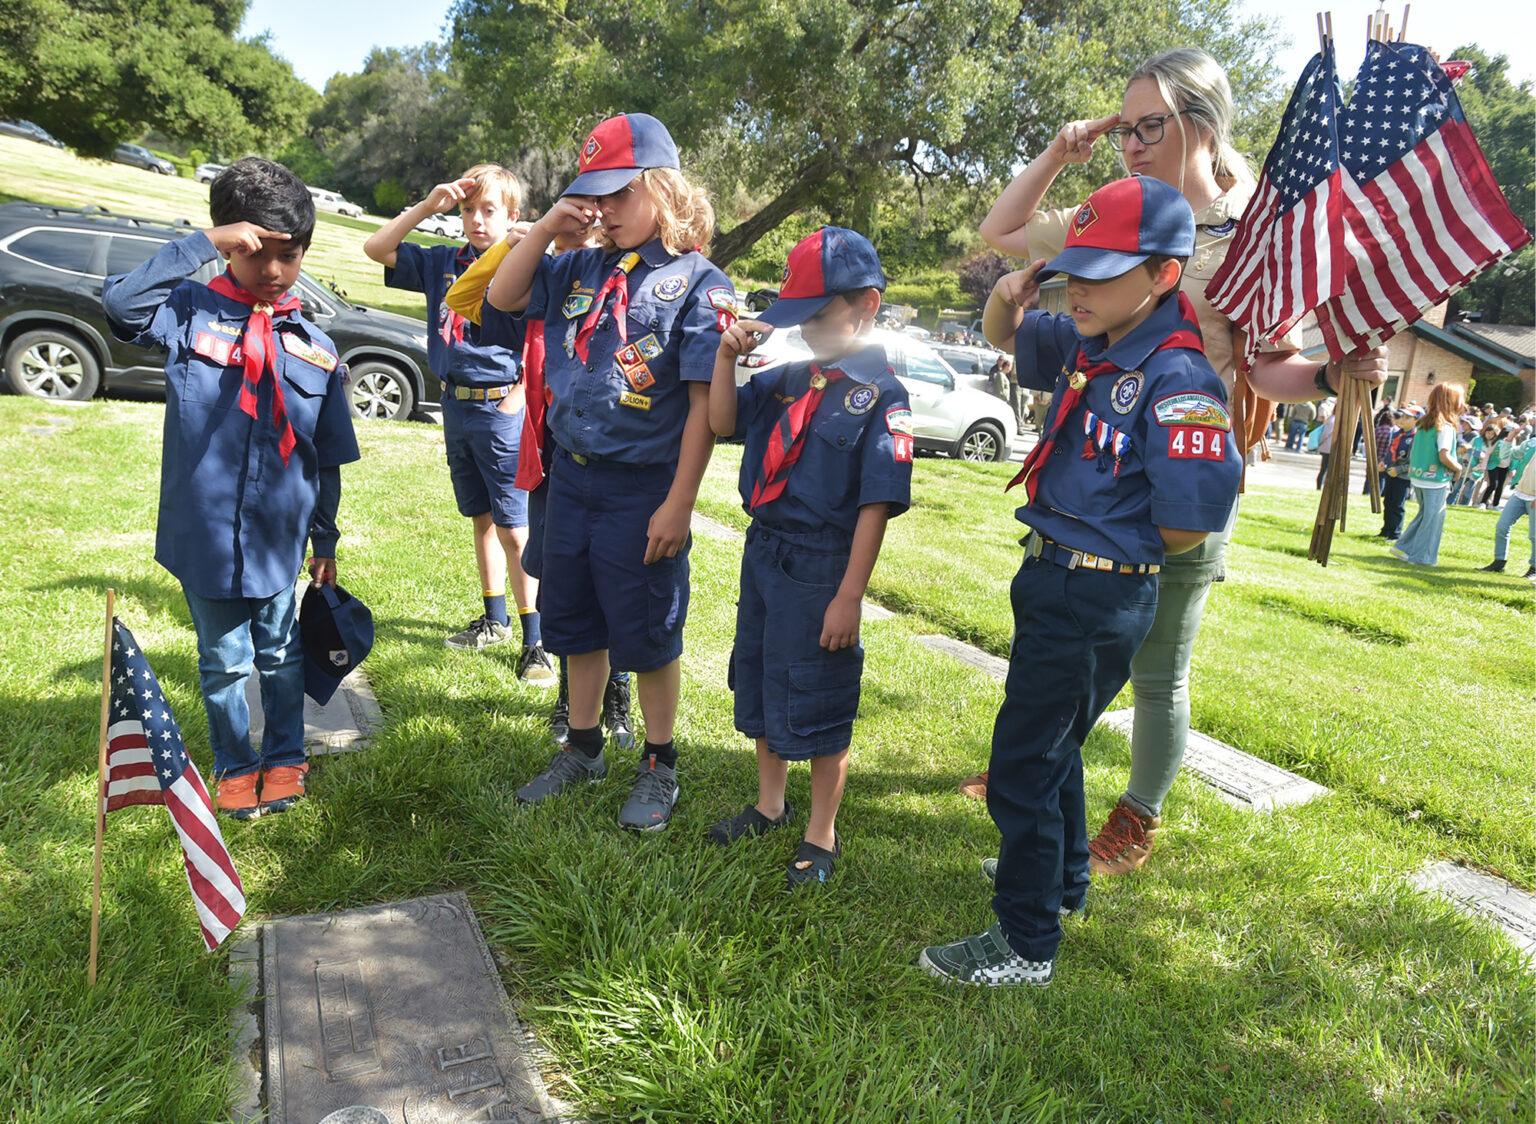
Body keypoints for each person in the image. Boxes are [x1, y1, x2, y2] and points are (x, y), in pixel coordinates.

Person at [965, 47, 1387, 873]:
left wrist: (1334, 375)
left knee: (1158, 667)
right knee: (1065, 637)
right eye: (1124, 126)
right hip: (1088, 470)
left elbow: (1269, 368)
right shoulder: (1117, 209)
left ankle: (1136, 816)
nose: (1130, 142)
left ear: (1200, 123)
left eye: (1147, 124)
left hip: (1179, 478)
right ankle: (1044, 769)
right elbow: (1002, 234)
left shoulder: (1254, 239)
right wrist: (1062, 150)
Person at [920, 176, 1242, 987]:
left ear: (1164, 276)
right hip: (1056, 574)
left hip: (1096, 589)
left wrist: (1105, 546)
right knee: (1054, 748)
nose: (1081, 286)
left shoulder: (1177, 378)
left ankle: (1024, 943)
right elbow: (1010, 334)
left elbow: (1187, 523)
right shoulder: (1095, 338)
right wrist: (1011, 289)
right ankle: (1061, 884)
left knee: (1024, 764)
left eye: (1102, 271)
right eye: (1076, 269)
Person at [483, 113, 731, 831]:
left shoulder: (696, 284)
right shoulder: (583, 265)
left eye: (619, 193)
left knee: (647, 630)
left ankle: (659, 762)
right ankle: (584, 746)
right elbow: (501, 297)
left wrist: (679, 506)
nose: (604, 208)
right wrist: (548, 227)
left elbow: (700, 414)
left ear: (661, 186)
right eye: (594, 193)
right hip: (574, 478)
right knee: (577, 620)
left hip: (643, 486)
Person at [101, 157, 360, 819]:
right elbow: (122, 307)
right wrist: (204, 244)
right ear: (231, 244)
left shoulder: (318, 349)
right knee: (222, 663)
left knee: (279, 655)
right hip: (206, 533)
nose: (273, 271)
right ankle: (235, 766)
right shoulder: (189, 311)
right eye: (256, 253)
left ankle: (285, 758)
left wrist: (324, 539)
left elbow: (325, 457)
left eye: (290, 255)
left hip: (278, 537)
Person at [705, 226, 911, 887]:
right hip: (765, 553)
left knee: (820, 695)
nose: (808, 330)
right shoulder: (788, 381)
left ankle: (821, 831)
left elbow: (876, 503)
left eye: (819, 315)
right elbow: (718, 420)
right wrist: (726, 358)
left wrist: (851, 594)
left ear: (866, 306)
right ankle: (769, 803)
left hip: (824, 565)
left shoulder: (883, 395)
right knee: (764, 677)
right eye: (800, 317)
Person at [443, 221, 636, 749]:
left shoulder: (613, 292)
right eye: (570, 234)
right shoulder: (542, 290)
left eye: (589, 235)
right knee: (561, 578)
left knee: (610, 583)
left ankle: (618, 695)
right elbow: (463, 297)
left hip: (604, 458)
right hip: (552, 460)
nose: (577, 242)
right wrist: (519, 240)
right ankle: (571, 699)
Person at [361, 166, 556, 686]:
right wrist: (428, 207)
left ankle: (536, 641)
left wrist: (518, 397)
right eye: (469, 210)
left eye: (488, 210)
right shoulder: (443, 262)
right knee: (482, 518)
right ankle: (495, 619)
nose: (476, 220)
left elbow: (543, 339)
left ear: (513, 216)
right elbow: (376, 248)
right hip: (457, 406)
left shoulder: (525, 266)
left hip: (500, 408)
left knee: (516, 529)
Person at [1391, 382, 1466, 566]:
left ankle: (1404, 547)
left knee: (1425, 514)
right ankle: (1422, 557)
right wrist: (1458, 468)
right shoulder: (1445, 427)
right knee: (1434, 518)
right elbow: (1444, 455)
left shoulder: (1424, 424)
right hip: (1436, 479)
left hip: (1418, 476)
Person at [1479, 436, 1536, 577]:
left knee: (1534, 535)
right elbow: (1507, 455)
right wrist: (1510, 439)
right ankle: (1499, 562)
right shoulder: (1531, 443)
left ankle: (1534, 568)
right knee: (1502, 526)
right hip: (1520, 492)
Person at [1377, 407, 1419, 540]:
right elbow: (1391, 451)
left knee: (1397, 505)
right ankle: (1386, 530)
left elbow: (1415, 461)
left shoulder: (1416, 438)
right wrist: (1383, 462)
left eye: (1408, 418)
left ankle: (1395, 533)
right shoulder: (1396, 434)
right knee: (1388, 502)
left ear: (1416, 421)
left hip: (1403, 477)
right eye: (1402, 416)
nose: (1402, 419)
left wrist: (1399, 470)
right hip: (1390, 473)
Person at [1451, 421, 1496, 505]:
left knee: (1469, 490)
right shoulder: (1477, 440)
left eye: (1492, 434)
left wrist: (1481, 461)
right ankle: (1450, 502)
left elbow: (1490, 457)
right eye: (1488, 433)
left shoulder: (1494, 444)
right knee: (1457, 486)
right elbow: (1467, 448)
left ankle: (1464, 504)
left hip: (1478, 468)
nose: (1489, 435)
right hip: (1468, 464)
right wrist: (1477, 453)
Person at [1478, 425, 1515, 508]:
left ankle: (1495, 504)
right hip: (1494, 465)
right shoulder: (1498, 441)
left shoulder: (1513, 442)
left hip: (1505, 467)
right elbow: (1488, 453)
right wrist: (1484, 466)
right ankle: (1483, 503)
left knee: (1500, 486)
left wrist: (1512, 468)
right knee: (1493, 484)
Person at [1314, 402, 1337, 489]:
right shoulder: (1333, 420)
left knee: (1326, 468)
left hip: (1328, 447)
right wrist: (1320, 443)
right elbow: (1325, 434)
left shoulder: (1332, 419)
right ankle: (1320, 486)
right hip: (1329, 447)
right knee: (1325, 468)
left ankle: (1322, 486)